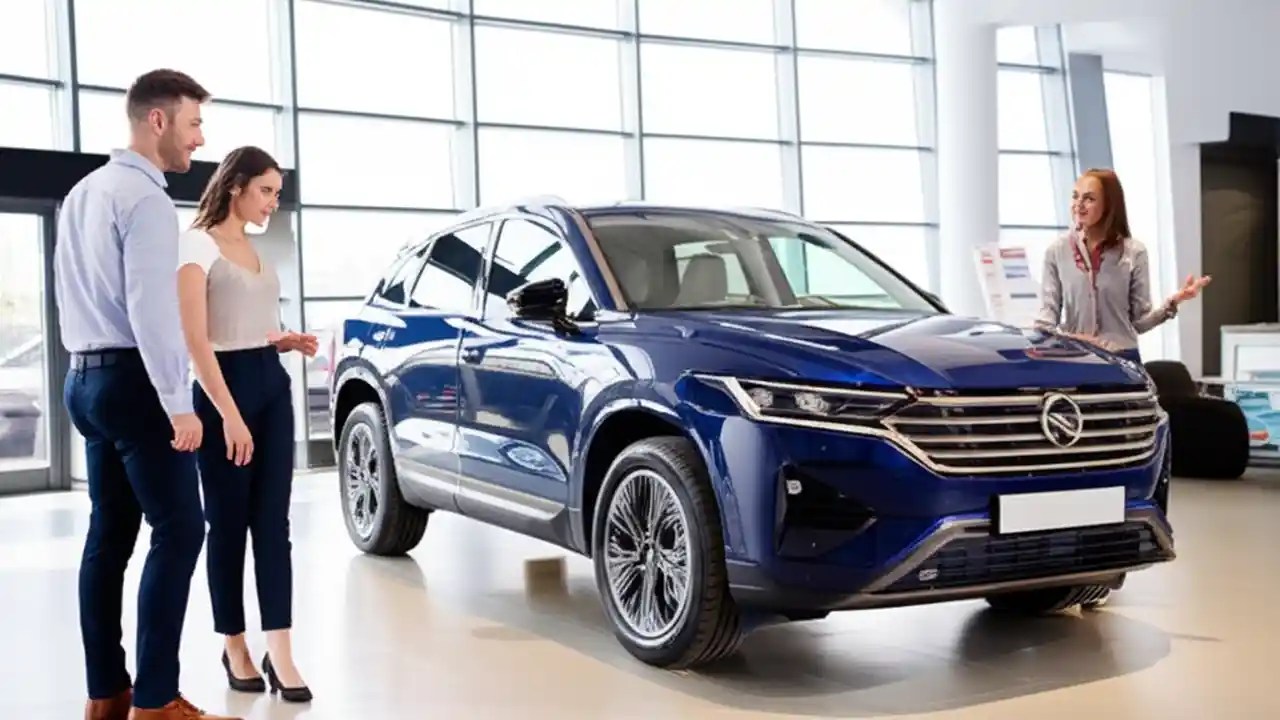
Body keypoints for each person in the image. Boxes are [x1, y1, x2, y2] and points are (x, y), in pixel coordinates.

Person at [55, 70, 240, 720]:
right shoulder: (147, 200)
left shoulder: (82, 194)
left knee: (108, 537)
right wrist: (178, 402)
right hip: (135, 383)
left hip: (84, 377)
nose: (200, 138)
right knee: (181, 528)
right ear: (157, 120)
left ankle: (106, 694)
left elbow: (72, 293)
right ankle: (157, 702)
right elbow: (152, 310)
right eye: (194, 123)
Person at [176, 146, 317, 704]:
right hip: (222, 393)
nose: (272, 203)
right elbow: (196, 339)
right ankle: (234, 644)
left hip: (270, 385)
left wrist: (282, 340)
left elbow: (246, 323)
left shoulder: (256, 249)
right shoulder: (196, 244)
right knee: (229, 525)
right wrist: (229, 416)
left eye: (278, 194)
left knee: (273, 525)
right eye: (265, 191)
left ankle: (280, 648)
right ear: (235, 185)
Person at [1036, 168, 1211, 364]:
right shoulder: (1056, 251)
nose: (1079, 205)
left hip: (1122, 359)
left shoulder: (1135, 252)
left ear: (1109, 204)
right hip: (1076, 359)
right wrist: (1075, 339)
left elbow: (1140, 323)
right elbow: (1046, 322)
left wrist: (1172, 304)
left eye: (1089, 199)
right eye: (1075, 196)